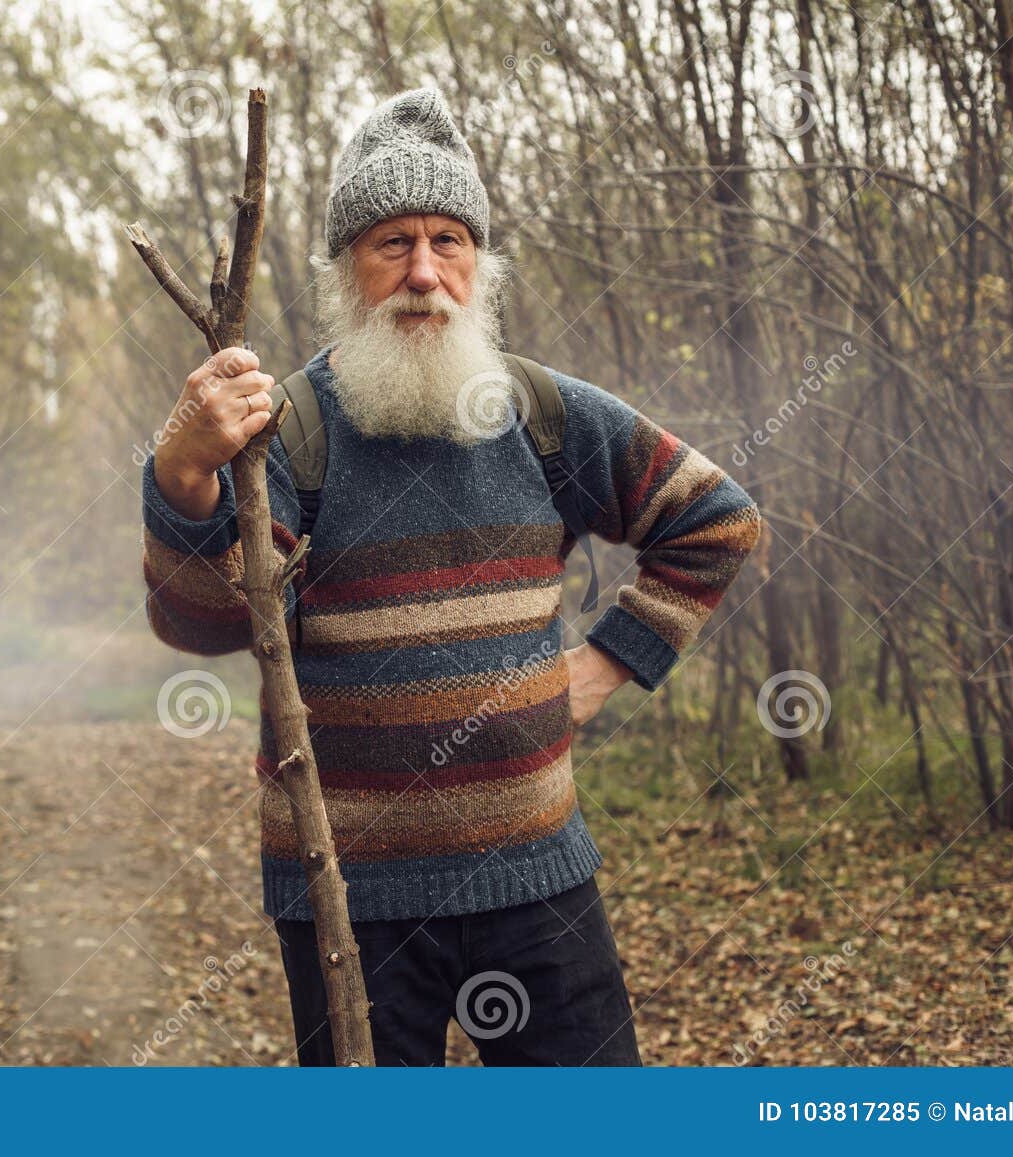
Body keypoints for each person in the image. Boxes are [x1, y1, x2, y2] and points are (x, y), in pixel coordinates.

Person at [139, 87, 762, 1065]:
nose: (424, 272)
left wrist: (601, 668)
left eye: (449, 241)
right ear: (346, 270)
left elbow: (717, 519)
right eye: (392, 243)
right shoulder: (292, 430)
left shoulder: (543, 413)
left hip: (538, 878)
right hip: (347, 897)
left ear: (479, 265)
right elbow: (206, 622)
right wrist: (182, 477)